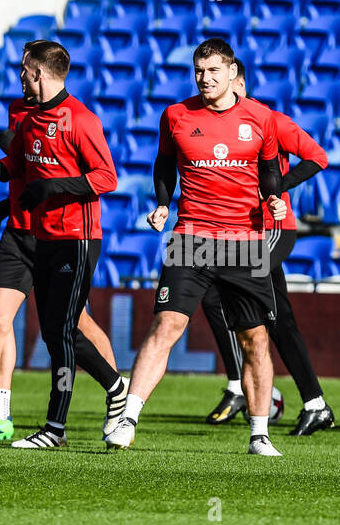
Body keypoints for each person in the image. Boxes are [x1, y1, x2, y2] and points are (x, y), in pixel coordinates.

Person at [104, 38, 288, 456]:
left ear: (232, 73)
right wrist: (163, 204)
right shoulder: (176, 115)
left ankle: (259, 434)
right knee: (166, 326)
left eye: (213, 71)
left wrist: (274, 196)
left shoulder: (261, 117)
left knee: (254, 339)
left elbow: (269, 168)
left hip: (244, 241)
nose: (204, 79)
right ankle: (128, 419)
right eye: (199, 71)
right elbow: (164, 163)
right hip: (192, 237)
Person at [0, 45, 126, 443]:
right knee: (54, 334)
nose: (20, 76)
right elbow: (19, 167)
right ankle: (115, 388)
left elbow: (107, 178)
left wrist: (51, 187)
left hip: (77, 238)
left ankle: (55, 428)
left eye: (25, 70)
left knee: (63, 331)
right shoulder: (29, 120)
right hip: (41, 236)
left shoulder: (80, 120)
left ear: (40, 73)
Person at [198, 57, 335, 435]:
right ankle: (315, 403)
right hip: (242, 232)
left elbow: (318, 157)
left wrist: (276, 188)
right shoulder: (215, 124)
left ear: (237, 82)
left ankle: (241, 386)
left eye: (226, 80)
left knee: (217, 294)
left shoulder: (268, 120)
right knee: (277, 319)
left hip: (272, 229)